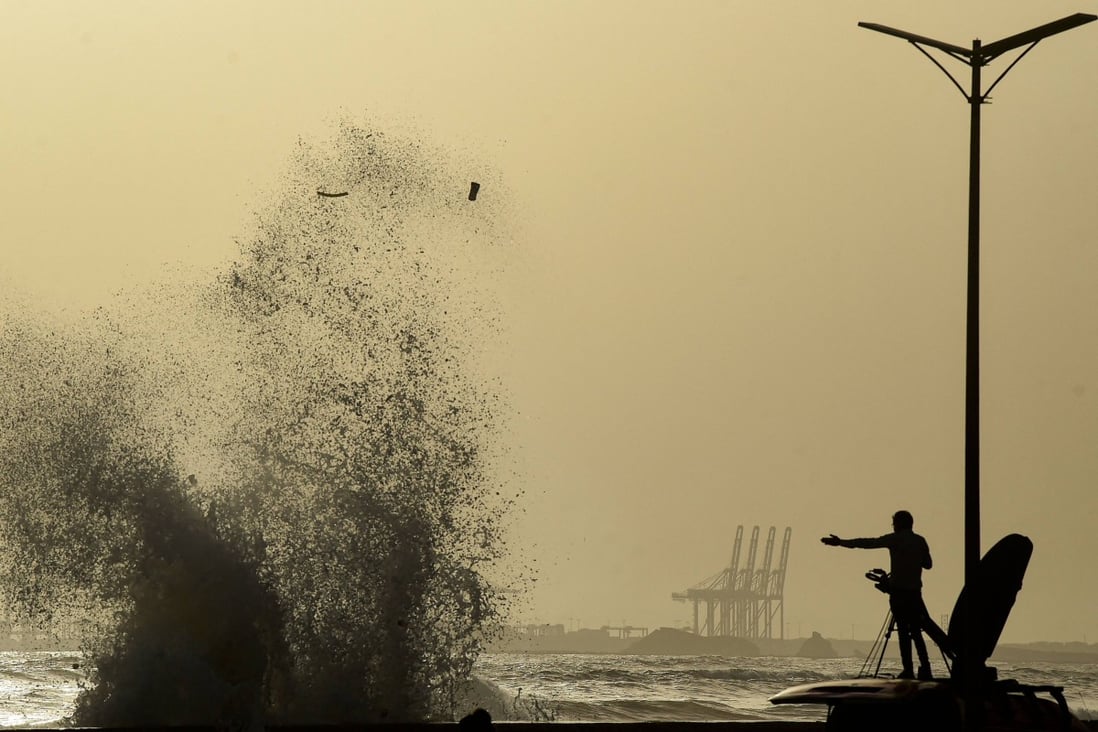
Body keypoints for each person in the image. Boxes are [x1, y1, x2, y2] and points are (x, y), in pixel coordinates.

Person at [821, 510, 939, 680]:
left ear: (898, 524)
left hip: (899, 595)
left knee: (903, 634)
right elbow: (928, 565)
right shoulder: (920, 541)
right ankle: (926, 668)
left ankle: (908, 670)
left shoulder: (894, 539)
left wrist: (841, 542)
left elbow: (868, 543)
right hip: (915, 595)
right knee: (917, 632)